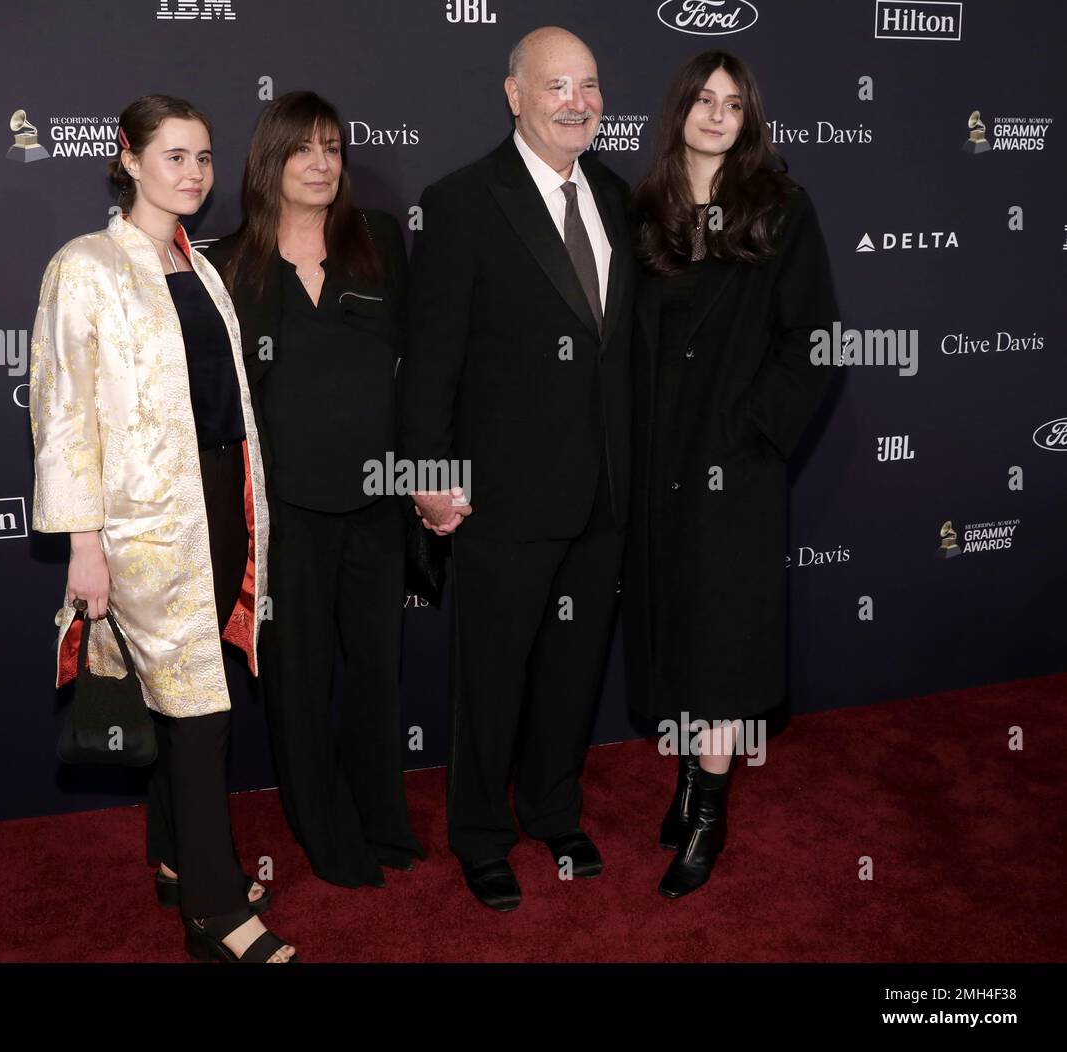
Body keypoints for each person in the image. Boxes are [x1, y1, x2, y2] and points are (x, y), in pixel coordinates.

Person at [29, 93, 298, 962]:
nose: (193, 173)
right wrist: (82, 542)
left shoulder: (200, 266)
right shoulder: (85, 266)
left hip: (219, 503)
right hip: (143, 523)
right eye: (175, 156)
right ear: (130, 159)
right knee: (197, 712)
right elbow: (63, 412)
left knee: (202, 686)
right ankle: (216, 915)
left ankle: (177, 861)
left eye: (204, 159)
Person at [398, 26, 636, 911]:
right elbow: (430, 362)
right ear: (515, 97)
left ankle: (551, 810)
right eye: (556, 86)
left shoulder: (618, 196)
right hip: (500, 496)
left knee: (573, 670)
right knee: (490, 675)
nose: (577, 102)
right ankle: (481, 835)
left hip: (603, 494)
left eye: (590, 85)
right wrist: (426, 471)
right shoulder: (462, 201)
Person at [622, 51, 839, 898]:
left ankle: (710, 810)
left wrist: (752, 431)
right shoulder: (643, 211)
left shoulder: (782, 208)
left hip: (734, 467)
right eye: (704, 100)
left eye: (735, 104)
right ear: (679, 108)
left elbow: (813, 340)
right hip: (654, 462)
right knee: (673, 630)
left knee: (721, 639)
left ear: (749, 119)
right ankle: (686, 782)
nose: (717, 115)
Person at [207, 91, 424, 889]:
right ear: (270, 161)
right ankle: (326, 835)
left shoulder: (383, 246)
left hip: (375, 504)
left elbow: (420, 372)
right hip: (283, 515)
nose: (323, 163)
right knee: (297, 685)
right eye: (303, 149)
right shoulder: (224, 264)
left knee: (375, 673)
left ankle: (382, 821)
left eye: (333, 148)